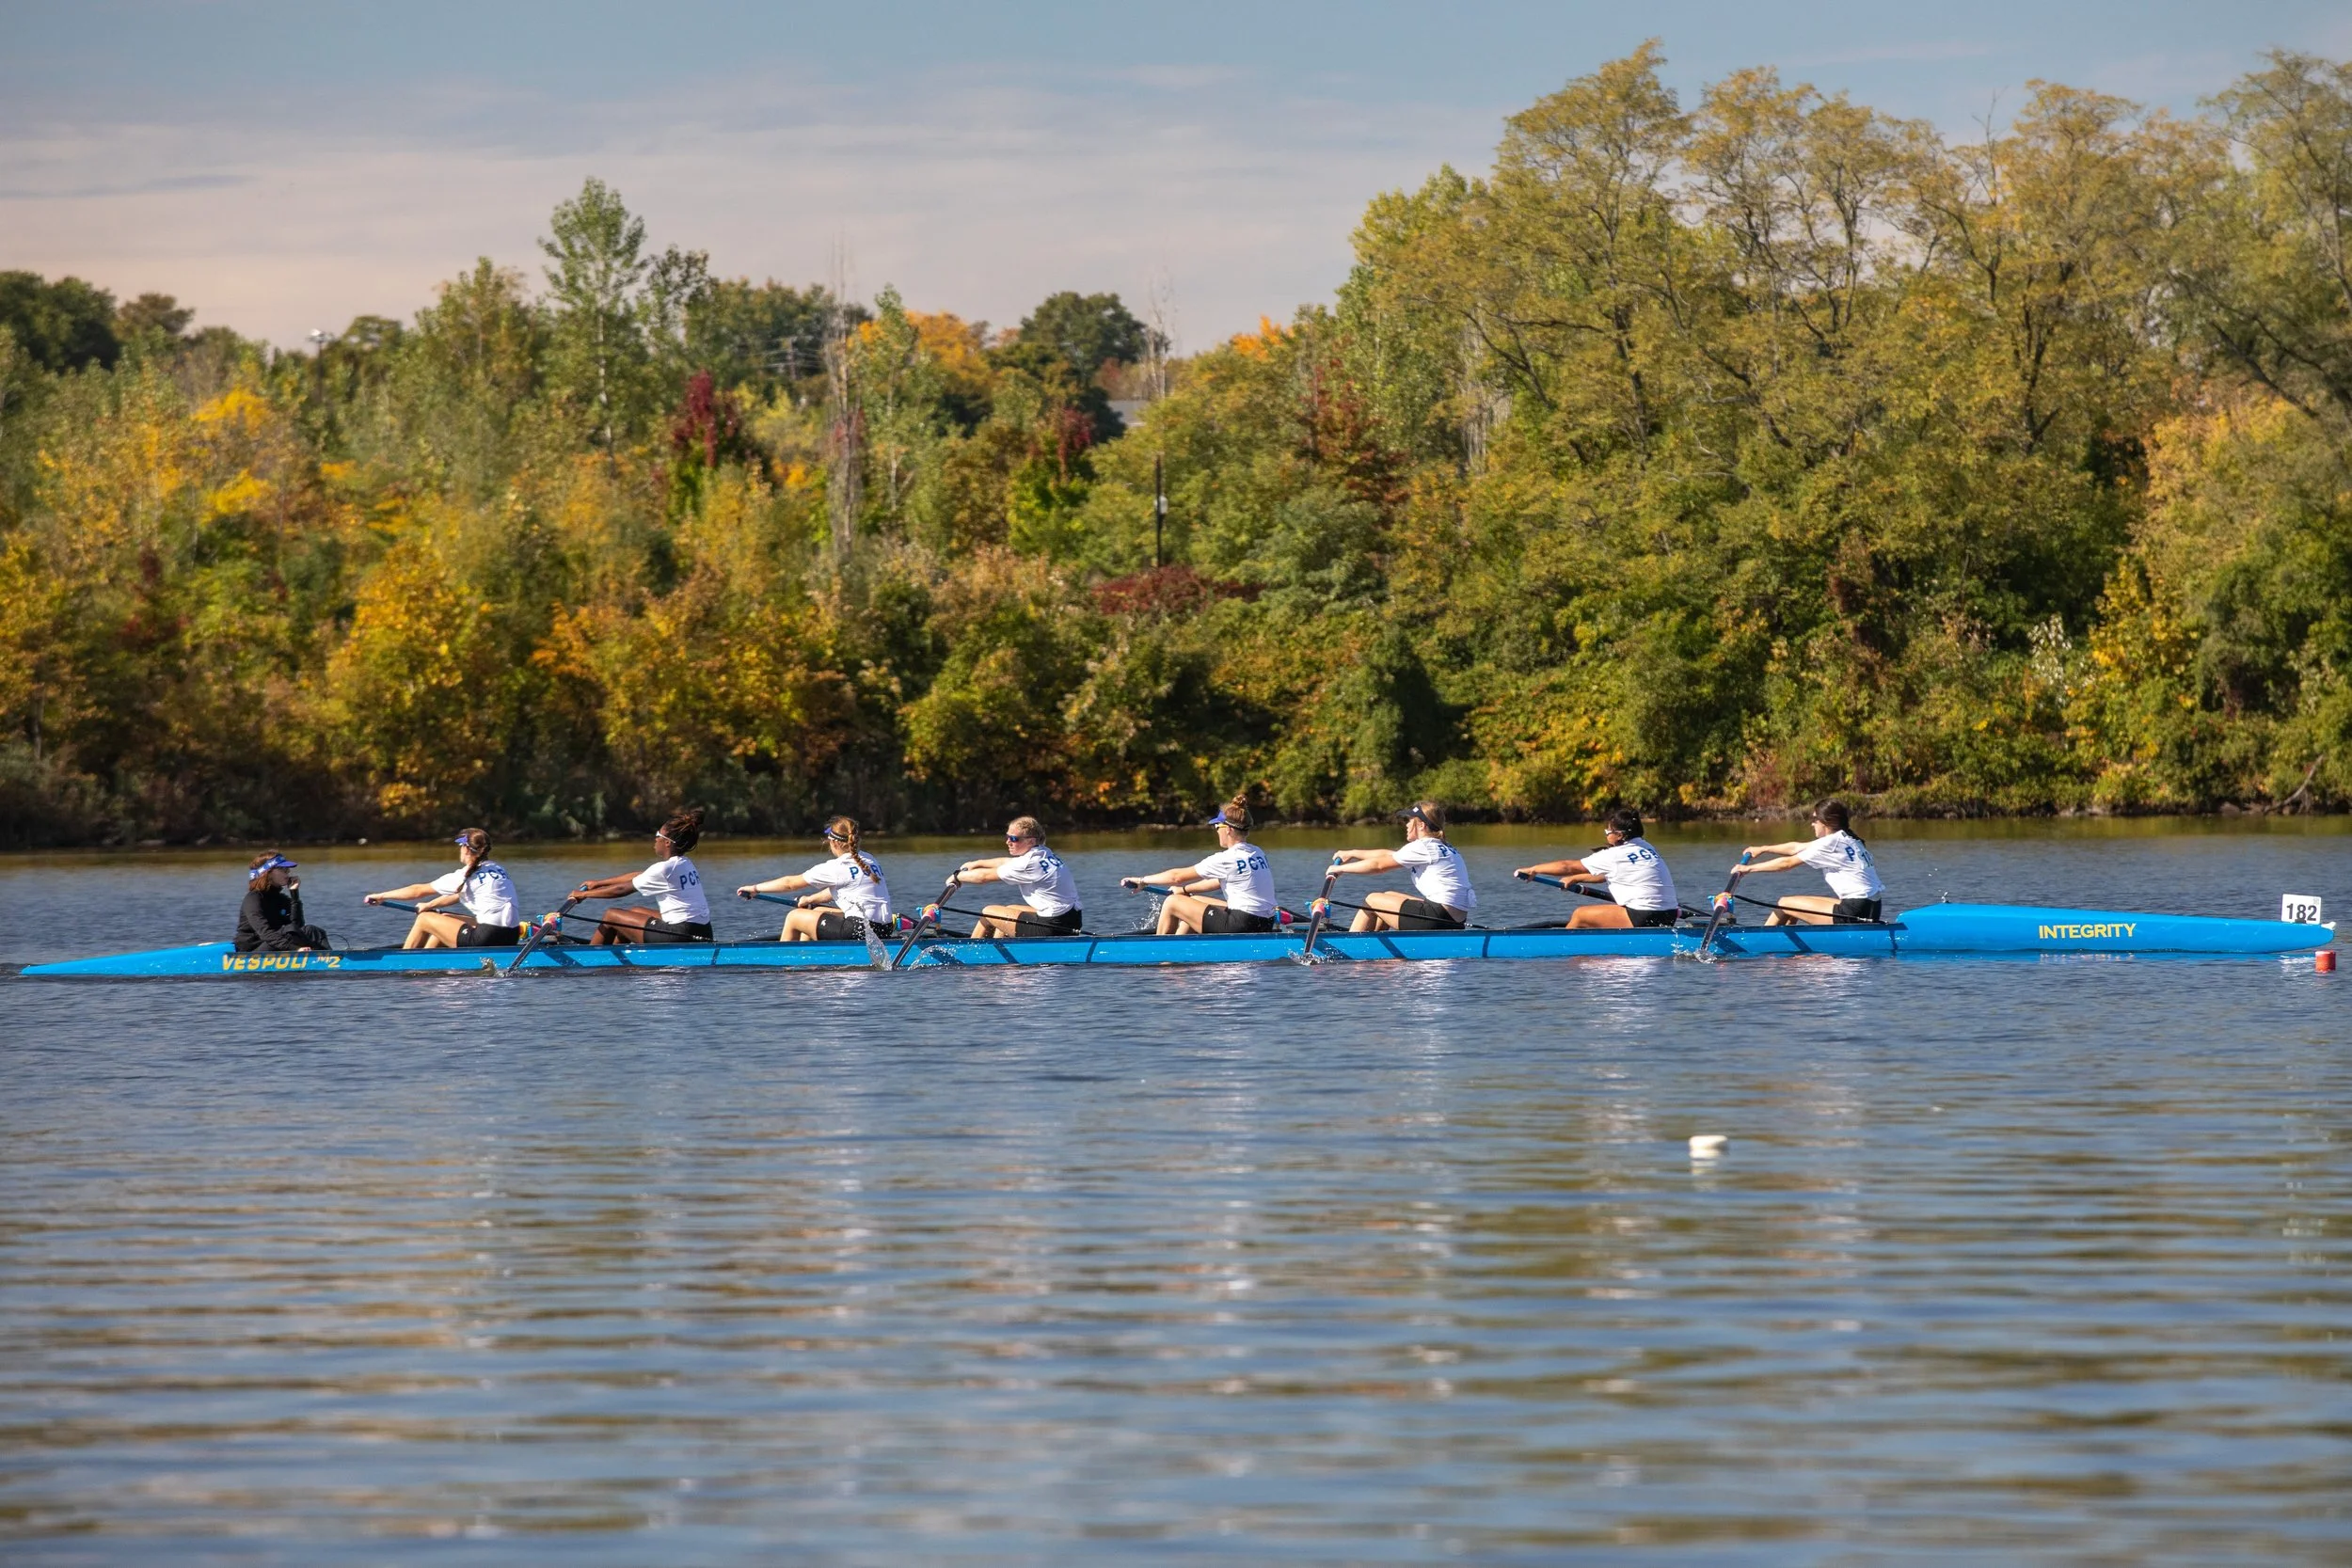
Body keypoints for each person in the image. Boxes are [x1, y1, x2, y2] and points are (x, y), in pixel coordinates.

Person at [1120, 794, 1279, 935]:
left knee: (1172, 903)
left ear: (1228, 829)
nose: (1216, 831)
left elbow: (1176, 877)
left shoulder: (1225, 858)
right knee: (1194, 901)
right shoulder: (1257, 852)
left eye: (1217, 826)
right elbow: (1218, 881)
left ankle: (1159, 951)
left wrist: (1143, 881)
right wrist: (1184, 891)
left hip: (1241, 925)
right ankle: (1183, 946)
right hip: (1265, 921)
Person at [1515, 807, 1681, 928]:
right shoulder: (1647, 848)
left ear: (1620, 835)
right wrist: (1577, 879)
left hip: (1643, 916)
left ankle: (1561, 946)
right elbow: (1608, 876)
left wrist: (1533, 869)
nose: (1607, 833)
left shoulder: (1614, 855)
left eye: (1609, 830)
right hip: (1670, 914)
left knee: (1580, 915)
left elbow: (1568, 866)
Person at [736, 816, 894, 942]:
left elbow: (790, 884)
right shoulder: (870, 860)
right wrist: (810, 899)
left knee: (794, 916)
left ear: (833, 842)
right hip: (885, 928)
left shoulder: (835, 867)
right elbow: (840, 891)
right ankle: (809, 956)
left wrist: (754, 889)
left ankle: (784, 961)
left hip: (858, 931)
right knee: (816, 911)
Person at [569, 808, 714, 944]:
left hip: (681, 935)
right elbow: (639, 876)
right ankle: (618, 956)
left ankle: (593, 955)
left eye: (658, 835)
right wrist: (599, 883)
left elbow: (621, 890)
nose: (655, 839)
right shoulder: (684, 863)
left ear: (667, 842)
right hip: (703, 930)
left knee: (611, 915)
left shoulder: (664, 869)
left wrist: (584, 894)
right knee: (635, 912)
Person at [1329, 800, 1477, 932]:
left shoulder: (1423, 846)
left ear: (1421, 825)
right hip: (1454, 920)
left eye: (1410, 821)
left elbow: (1379, 865)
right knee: (1388, 896)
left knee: (1372, 900)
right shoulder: (1442, 846)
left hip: (1438, 919)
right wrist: (1352, 853)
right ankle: (1377, 945)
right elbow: (1388, 855)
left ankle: (1351, 945)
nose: (1406, 825)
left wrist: (1339, 869)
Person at [363, 830, 523, 949]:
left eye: (461, 846)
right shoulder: (497, 869)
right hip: (511, 936)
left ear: (466, 849)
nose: (460, 850)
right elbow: (458, 895)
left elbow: (417, 890)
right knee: (445, 917)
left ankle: (404, 962)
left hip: (487, 937)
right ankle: (431, 960)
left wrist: (381, 896)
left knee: (424, 919)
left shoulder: (464, 875)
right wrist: (430, 905)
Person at [1735, 798, 1884, 924]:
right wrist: (1763, 848)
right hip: (1872, 906)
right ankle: (1786, 945)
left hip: (1855, 910)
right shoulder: (1847, 838)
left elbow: (1787, 864)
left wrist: (1748, 869)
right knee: (1794, 907)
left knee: (1784, 903)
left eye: (1815, 819)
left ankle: (1760, 941)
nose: (1812, 824)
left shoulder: (1829, 844)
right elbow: (1795, 847)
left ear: (1826, 822)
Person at [955, 816, 1084, 939]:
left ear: (1031, 841)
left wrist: (957, 876)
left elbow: (983, 877)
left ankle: (972, 950)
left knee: (988, 912)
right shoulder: (1043, 852)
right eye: (1007, 837)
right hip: (1072, 920)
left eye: (1014, 839)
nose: (1008, 842)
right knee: (1010, 909)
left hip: (1053, 928)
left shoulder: (1028, 863)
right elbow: (1006, 862)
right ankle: (1000, 948)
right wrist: (976, 863)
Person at [234, 852, 332, 952]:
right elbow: (266, 934)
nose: (288, 872)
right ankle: (321, 955)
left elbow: (297, 927)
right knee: (289, 930)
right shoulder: (253, 899)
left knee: (312, 930)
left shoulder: (281, 899)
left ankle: (331, 957)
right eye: (282, 869)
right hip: (251, 952)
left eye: (287, 869)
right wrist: (295, 949)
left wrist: (294, 895)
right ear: (267, 873)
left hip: (277, 944)